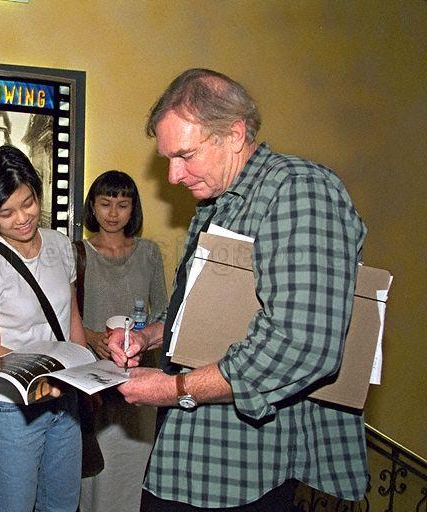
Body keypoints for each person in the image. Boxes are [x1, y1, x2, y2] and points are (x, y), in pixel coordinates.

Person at [108, 68, 368, 511]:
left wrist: (173, 390)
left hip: (241, 469)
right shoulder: (218, 202)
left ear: (234, 134)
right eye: (168, 158)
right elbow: (210, 313)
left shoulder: (299, 190)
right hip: (188, 453)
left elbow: (301, 344)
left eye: (185, 155)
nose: (173, 176)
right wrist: (152, 335)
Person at [0, 145, 87, 512]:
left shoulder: (62, 247)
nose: (22, 219)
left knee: (62, 506)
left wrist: (87, 377)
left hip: (65, 404)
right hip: (12, 412)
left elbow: (71, 320)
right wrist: (43, 377)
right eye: (6, 212)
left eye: (28, 202)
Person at [77, 171, 168, 512]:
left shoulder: (149, 252)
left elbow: (164, 310)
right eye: (105, 204)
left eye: (123, 204)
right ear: (93, 207)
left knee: (129, 467)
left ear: (134, 210)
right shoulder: (77, 253)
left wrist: (144, 340)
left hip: (139, 375)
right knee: (89, 466)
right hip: (90, 378)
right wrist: (92, 337)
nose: (113, 213)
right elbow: (65, 314)